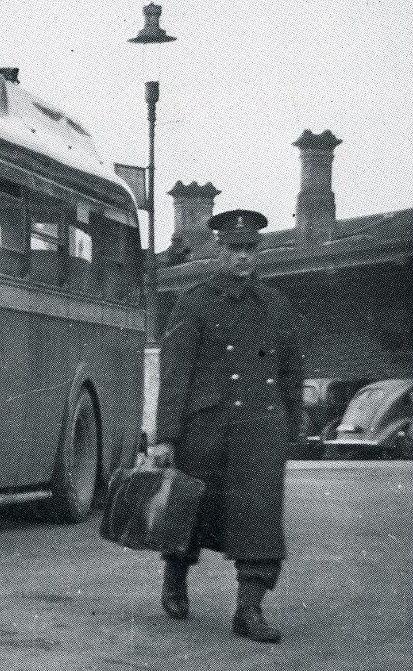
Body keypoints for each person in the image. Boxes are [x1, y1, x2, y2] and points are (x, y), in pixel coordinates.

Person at [149, 209, 303, 643]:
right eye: (234, 249)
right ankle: (175, 579)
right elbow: (176, 371)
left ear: (259, 251)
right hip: (207, 426)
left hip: (261, 427)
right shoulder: (194, 301)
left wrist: (292, 426)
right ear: (219, 251)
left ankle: (249, 608)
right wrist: (166, 436)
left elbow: (292, 370)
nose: (242, 256)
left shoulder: (276, 304)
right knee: (190, 509)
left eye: (250, 248)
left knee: (260, 518)